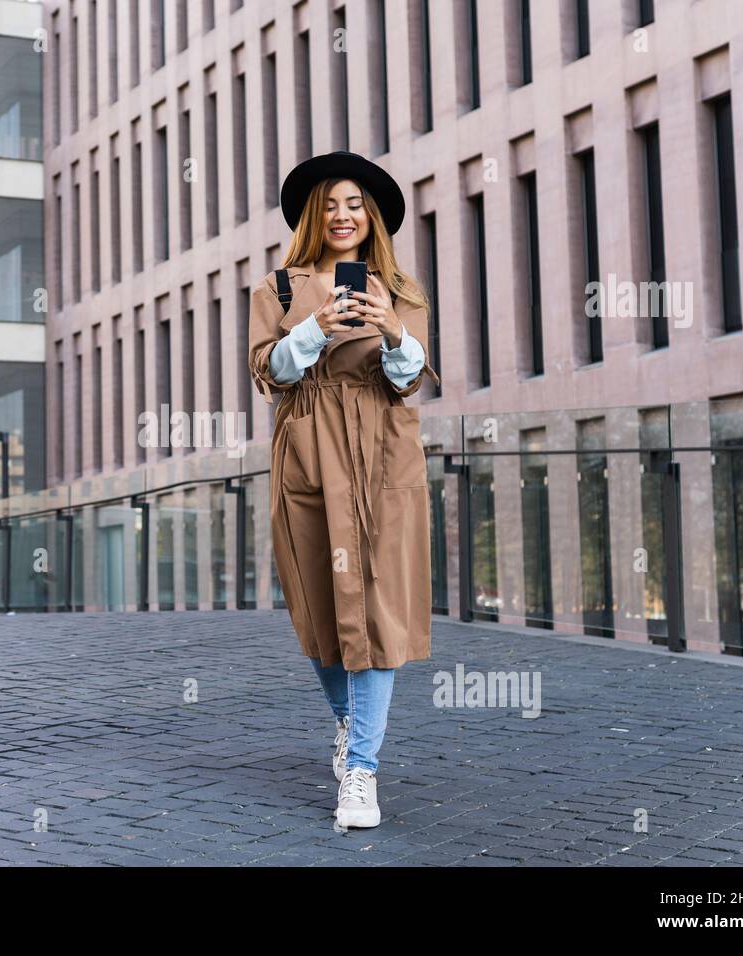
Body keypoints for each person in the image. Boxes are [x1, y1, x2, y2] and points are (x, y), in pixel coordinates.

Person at [248, 150, 440, 829]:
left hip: (385, 458)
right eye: (329, 204)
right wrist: (313, 329)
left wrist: (390, 328)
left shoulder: (402, 289)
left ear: (373, 217)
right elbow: (266, 372)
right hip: (308, 454)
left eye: (354, 204)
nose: (341, 215)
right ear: (312, 215)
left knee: (379, 610)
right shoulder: (276, 289)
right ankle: (345, 718)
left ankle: (361, 769)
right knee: (320, 608)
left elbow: (408, 377)